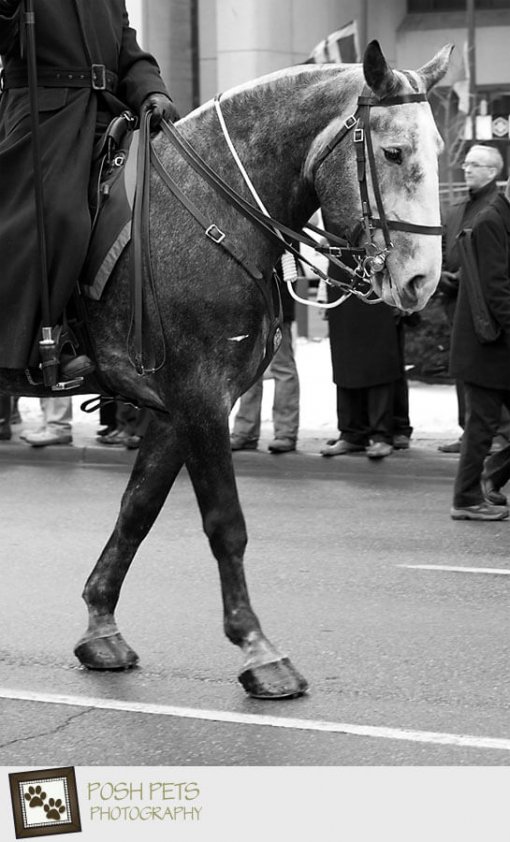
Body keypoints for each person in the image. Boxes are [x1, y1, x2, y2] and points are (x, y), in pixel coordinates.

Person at [0, 0, 178, 378]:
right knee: (62, 214)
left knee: (152, 204)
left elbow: (128, 50)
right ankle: (49, 340)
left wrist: (152, 92)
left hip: (107, 114)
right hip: (44, 119)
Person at [436, 144, 510, 453]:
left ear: (493, 171)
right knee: (465, 368)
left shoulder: (494, 209)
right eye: (465, 163)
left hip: (484, 304)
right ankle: (469, 429)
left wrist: (464, 279)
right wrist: (441, 274)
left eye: (474, 165)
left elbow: (494, 262)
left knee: (486, 372)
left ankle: (496, 433)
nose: (466, 169)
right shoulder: (458, 208)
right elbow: (443, 245)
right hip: (456, 300)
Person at [449, 177, 510, 520]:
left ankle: (488, 480)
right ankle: (467, 498)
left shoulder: (500, 218)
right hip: (487, 349)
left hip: (496, 344)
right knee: (480, 429)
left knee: (482, 427)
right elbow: (496, 291)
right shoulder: (491, 221)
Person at [319, 247, 409, 461]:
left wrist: (404, 292)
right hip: (341, 278)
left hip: (379, 277)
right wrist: (323, 296)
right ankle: (351, 433)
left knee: (379, 360)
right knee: (344, 360)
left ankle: (382, 434)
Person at [230, 276, 299, 453]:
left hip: (277, 297)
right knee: (249, 367)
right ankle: (246, 431)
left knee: (282, 366)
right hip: (248, 300)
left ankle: (285, 432)